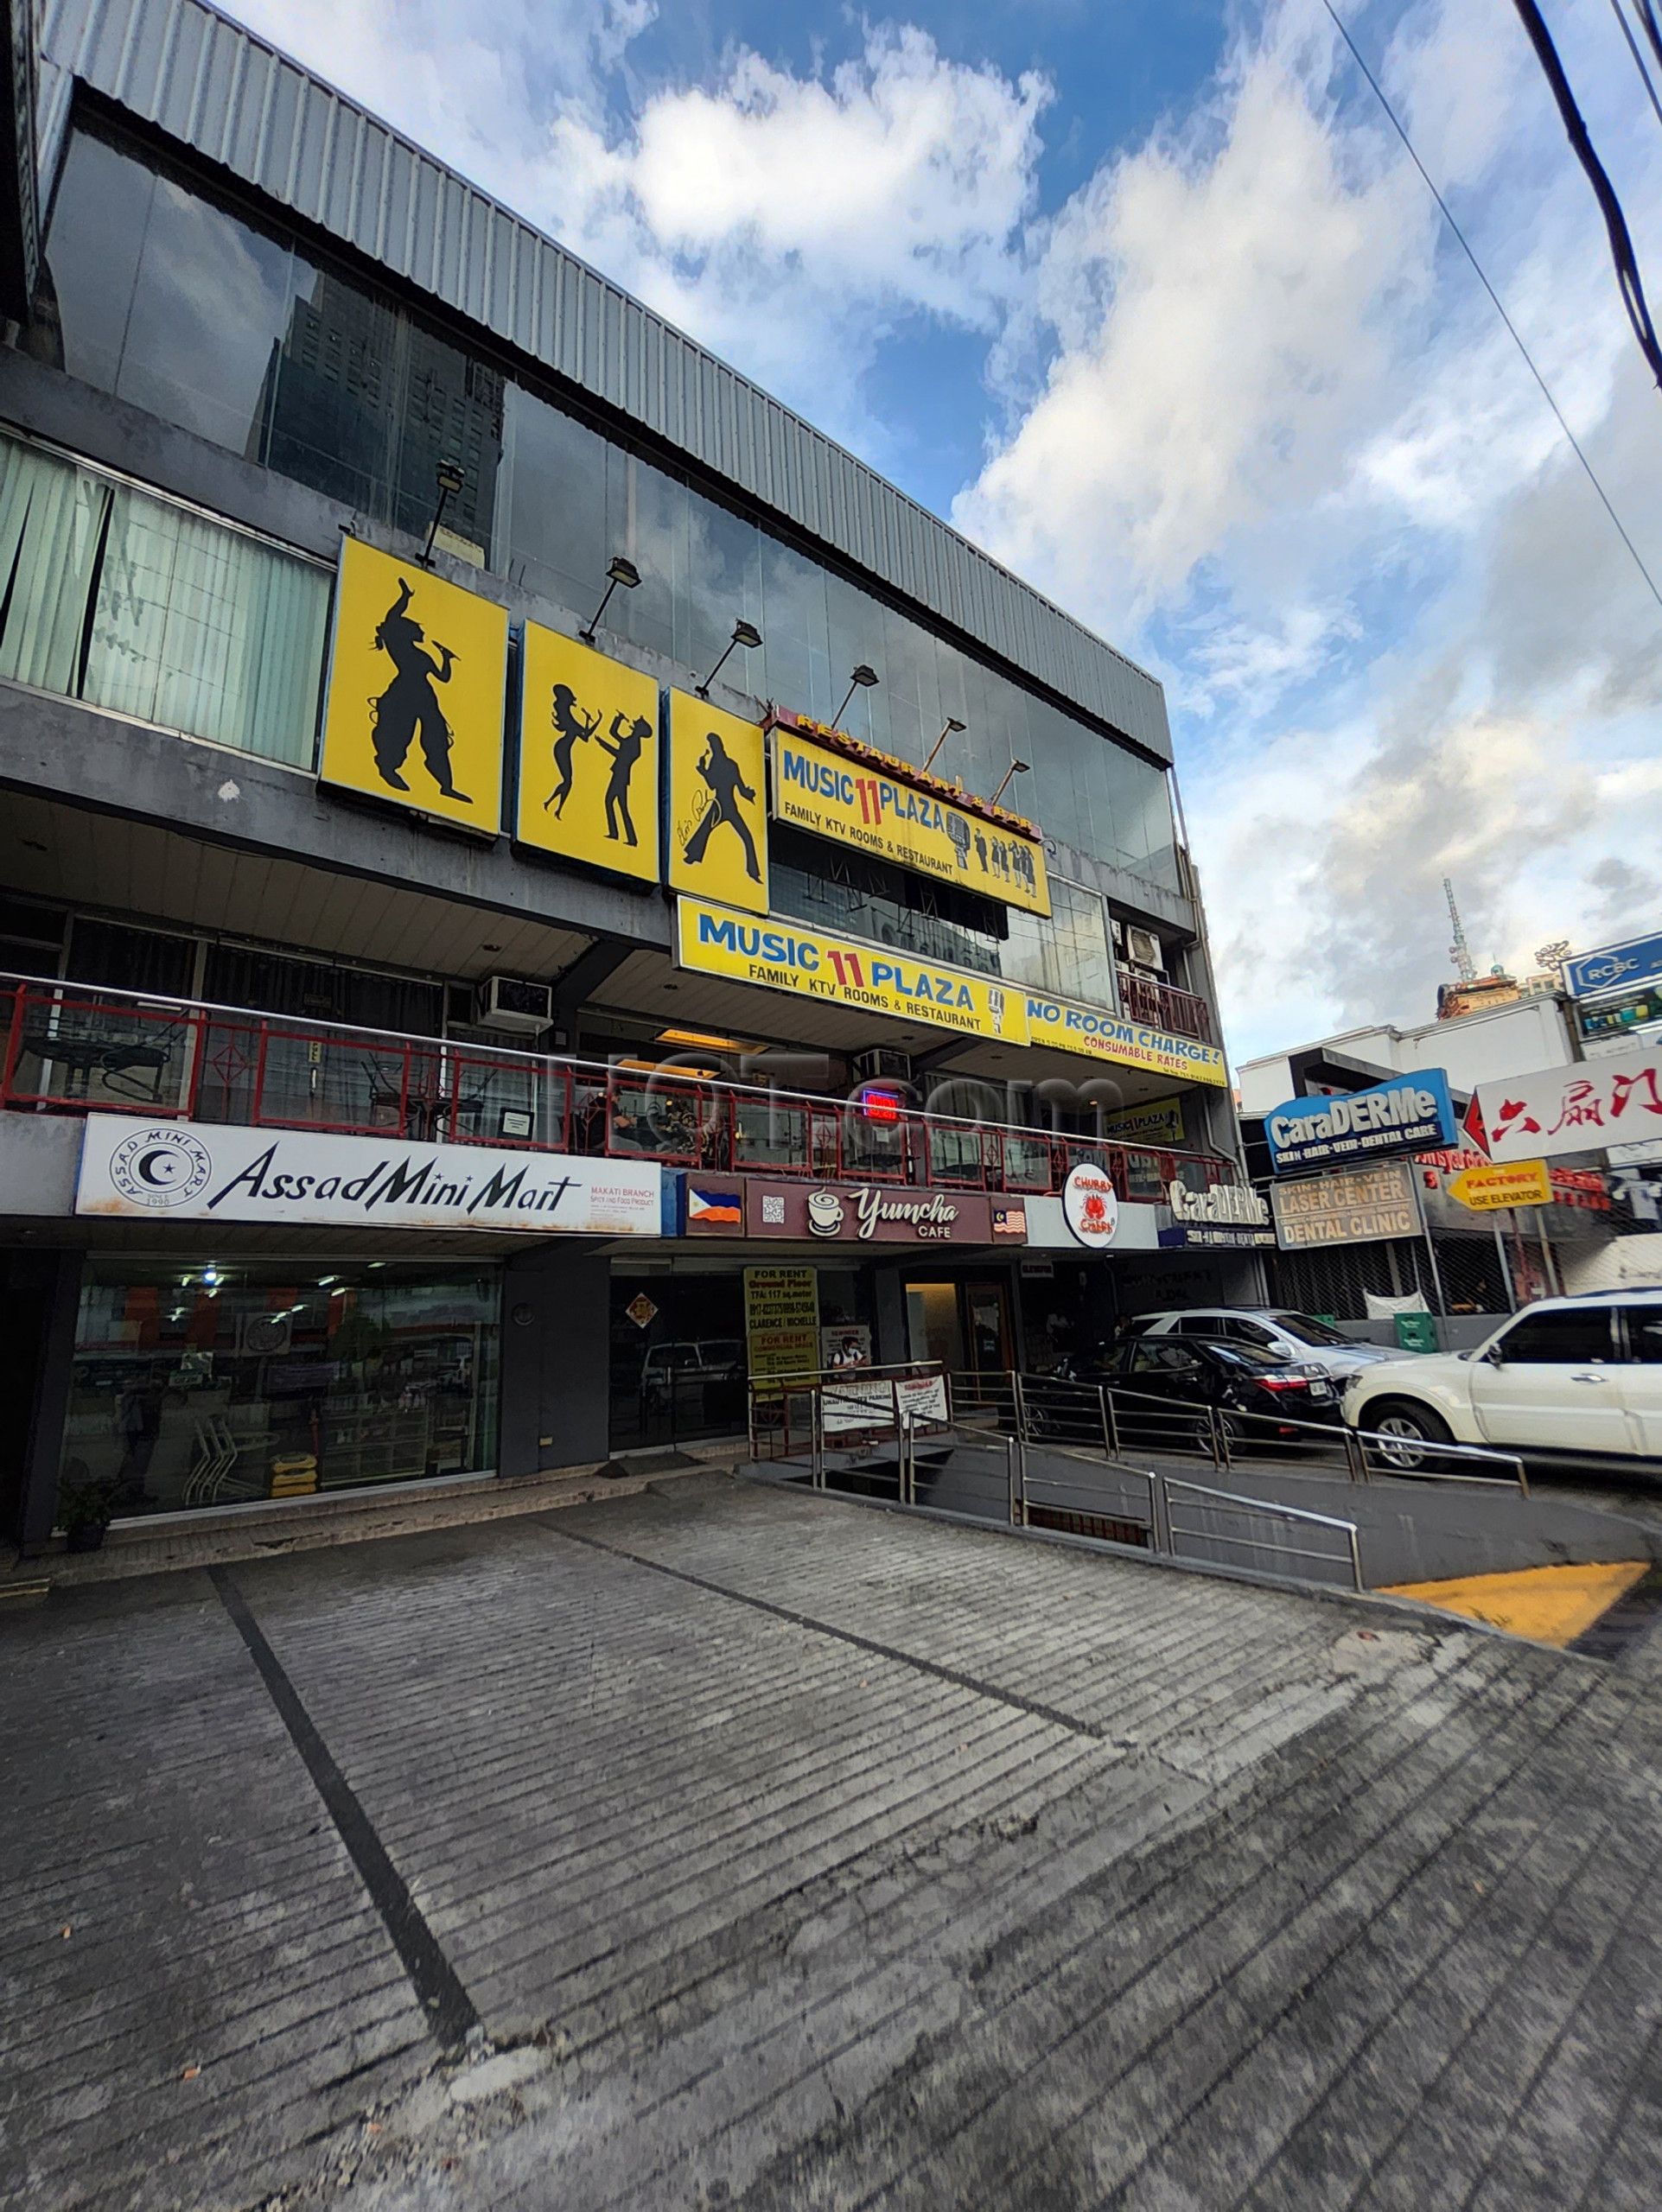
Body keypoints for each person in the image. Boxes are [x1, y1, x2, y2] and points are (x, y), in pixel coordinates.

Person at [369, 577, 467, 801]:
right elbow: (392, 619)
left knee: (437, 739)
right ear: (409, 632)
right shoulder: (401, 648)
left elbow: (443, 677)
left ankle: (446, 785)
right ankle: (388, 766)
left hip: (425, 697)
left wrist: (446, 658)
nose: (421, 631)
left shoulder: (422, 655)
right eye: (417, 628)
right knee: (399, 732)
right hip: (405, 694)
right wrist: (405, 597)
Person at [682, 731, 761, 881]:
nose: (711, 748)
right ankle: (692, 856)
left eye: (712, 745)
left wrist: (703, 771)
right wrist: (704, 770)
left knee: (745, 836)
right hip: (724, 805)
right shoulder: (728, 764)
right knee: (708, 830)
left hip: (724, 805)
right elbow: (737, 788)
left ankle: (753, 872)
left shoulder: (724, 764)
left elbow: (716, 784)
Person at [544, 684, 602, 817]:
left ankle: (552, 806)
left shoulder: (569, 717)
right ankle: (554, 808)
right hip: (562, 748)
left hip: (563, 748)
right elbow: (586, 735)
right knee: (568, 781)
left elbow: (585, 736)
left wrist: (590, 720)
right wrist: (598, 720)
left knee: (568, 781)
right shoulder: (568, 717)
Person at [596, 710, 650, 845]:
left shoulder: (635, 744)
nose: (635, 722)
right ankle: (622, 835)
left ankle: (625, 836)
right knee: (617, 804)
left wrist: (603, 744)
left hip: (621, 776)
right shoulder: (631, 739)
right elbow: (613, 733)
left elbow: (619, 754)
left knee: (613, 803)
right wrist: (618, 719)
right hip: (619, 775)